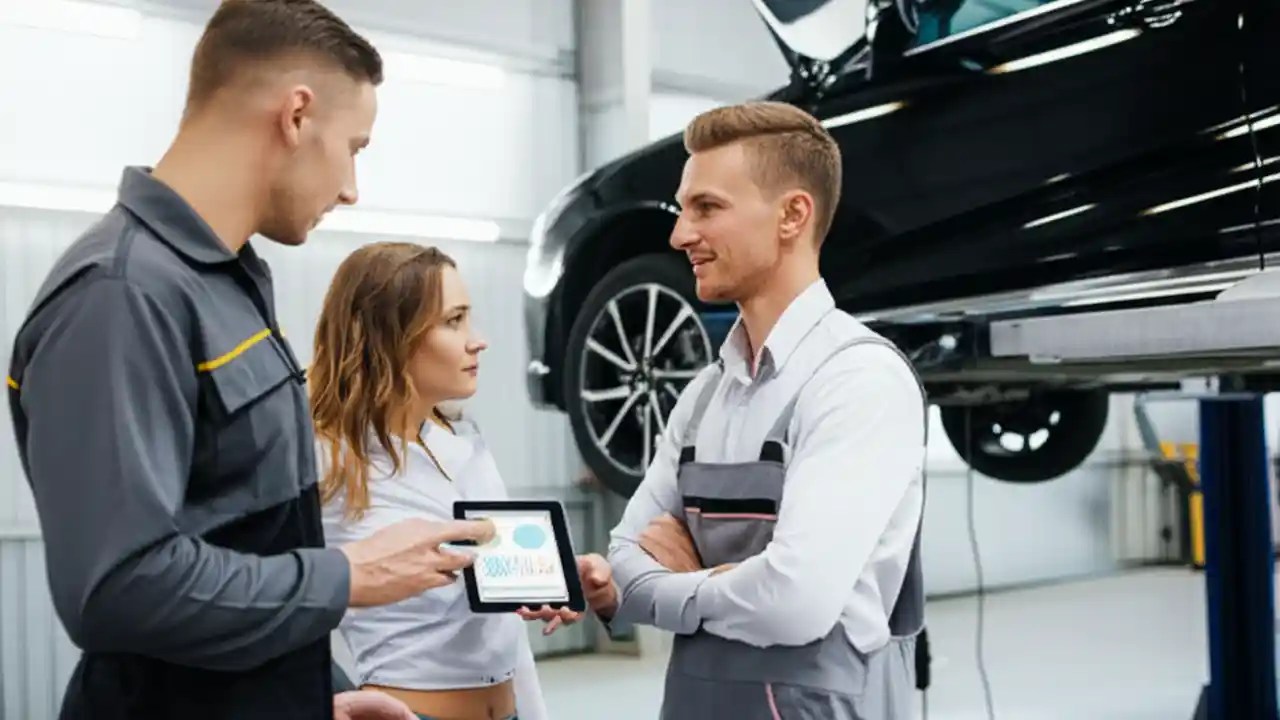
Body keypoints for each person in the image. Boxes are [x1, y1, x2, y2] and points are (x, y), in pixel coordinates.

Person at [4, 2, 493, 719]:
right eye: (355, 146)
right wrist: (345, 577)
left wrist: (321, 696)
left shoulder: (225, 287)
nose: (353, 187)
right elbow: (115, 590)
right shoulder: (123, 295)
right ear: (297, 115)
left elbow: (247, 543)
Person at [553, 100, 930, 718]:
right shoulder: (704, 397)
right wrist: (733, 579)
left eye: (707, 208)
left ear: (792, 215)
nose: (678, 235)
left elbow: (796, 603)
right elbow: (624, 558)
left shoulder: (858, 380)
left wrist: (673, 580)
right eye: (682, 210)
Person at [312, 242, 549, 720]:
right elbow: (269, 605)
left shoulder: (463, 443)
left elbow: (507, 628)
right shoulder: (326, 462)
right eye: (453, 320)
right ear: (392, 336)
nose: (476, 340)